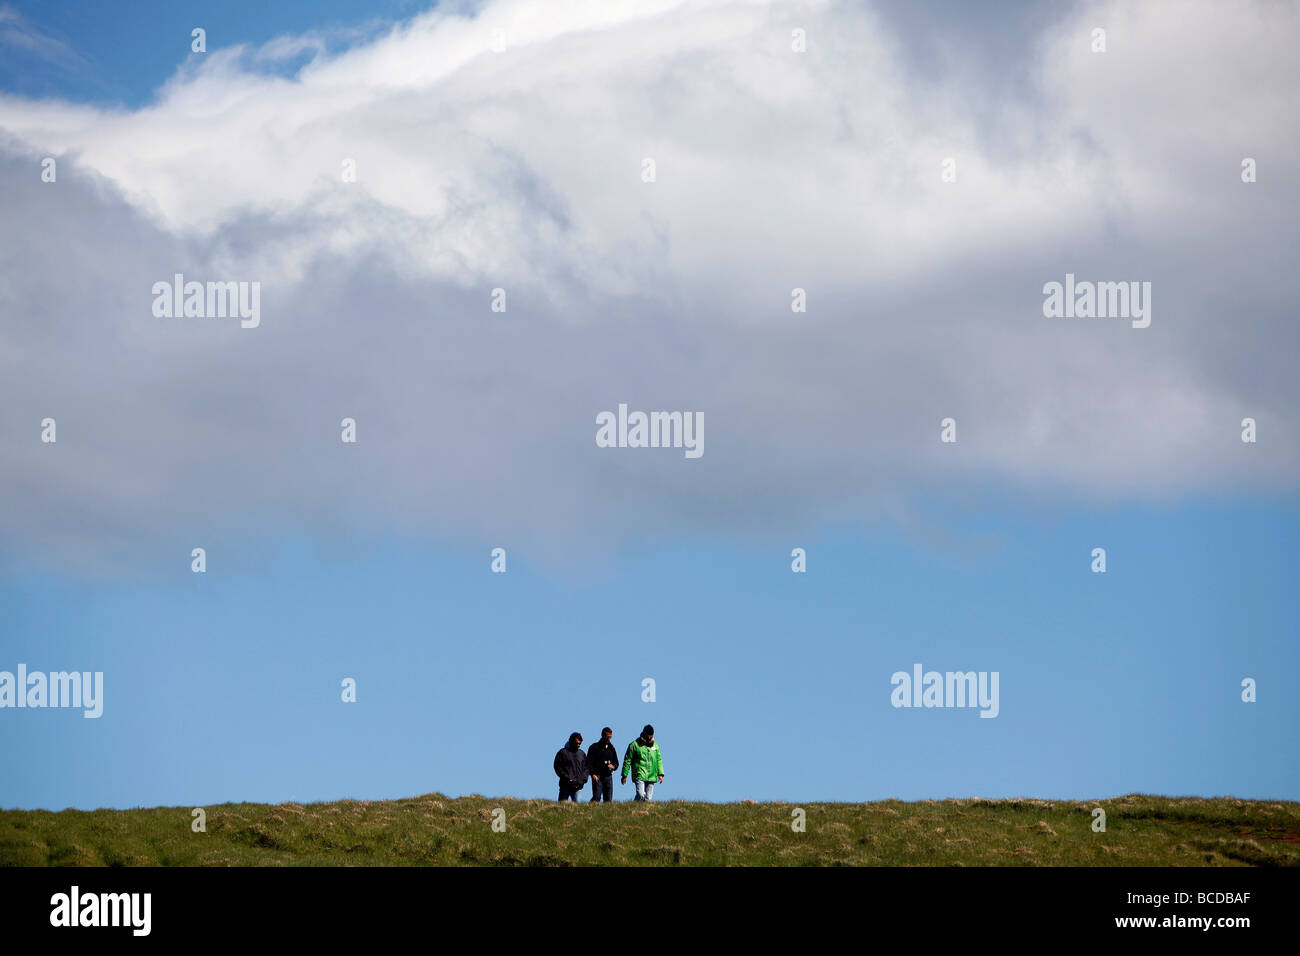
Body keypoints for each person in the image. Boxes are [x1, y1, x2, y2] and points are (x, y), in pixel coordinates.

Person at [620, 724, 664, 801]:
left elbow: (658, 760)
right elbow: (627, 760)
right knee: (640, 794)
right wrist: (624, 775)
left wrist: (660, 774)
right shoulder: (634, 745)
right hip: (639, 773)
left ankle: (640, 810)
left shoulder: (655, 746)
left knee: (648, 799)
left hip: (652, 775)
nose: (649, 738)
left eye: (651, 736)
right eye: (648, 736)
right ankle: (634, 805)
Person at [586, 727, 619, 802]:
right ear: (602, 735)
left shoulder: (611, 748)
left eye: (610, 737)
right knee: (597, 797)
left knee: (608, 799)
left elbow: (616, 762)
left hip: (608, 776)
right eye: (607, 737)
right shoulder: (594, 747)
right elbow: (588, 763)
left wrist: (613, 766)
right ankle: (591, 809)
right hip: (597, 775)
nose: (608, 739)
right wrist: (592, 774)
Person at [553, 731, 588, 802]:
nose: (579, 745)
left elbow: (586, 768)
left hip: (577, 787)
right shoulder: (562, 753)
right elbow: (557, 767)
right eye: (577, 743)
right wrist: (566, 778)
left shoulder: (581, 754)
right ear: (571, 741)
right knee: (561, 807)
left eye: (580, 743)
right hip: (565, 785)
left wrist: (584, 779)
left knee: (577, 809)